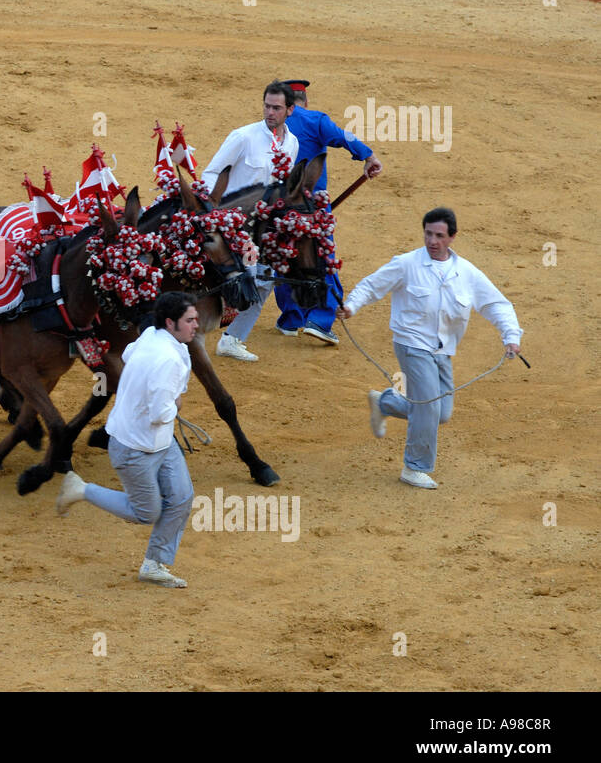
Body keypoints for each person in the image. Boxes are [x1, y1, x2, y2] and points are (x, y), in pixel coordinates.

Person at [338, 208, 522, 489]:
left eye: (439, 235)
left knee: (441, 413)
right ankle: (414, 467)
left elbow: (495, 304)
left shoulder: (467, 273)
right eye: (428, 234)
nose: (432, 241)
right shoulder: (406, 264)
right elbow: (372, 285)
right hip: (411, 344)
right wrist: (351, 306)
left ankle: (384, 402)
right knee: (430, 408)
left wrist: (511, 336)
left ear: (452, 238)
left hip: (443, 349)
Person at [54, 291, 198, 588]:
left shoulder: (151, 337)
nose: (196, 325)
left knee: (181, 497)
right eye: (190, 320)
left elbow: (130, 353)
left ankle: (154, 564)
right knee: (146, 513)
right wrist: (177, 402)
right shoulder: (169, 359)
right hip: (135, 448)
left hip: (156, 440)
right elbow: (161, 413)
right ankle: (81, 489)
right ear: (171, 323)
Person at [274, 79, 383, 346]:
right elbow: (345, 137)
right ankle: (320, 321)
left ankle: (292, 318)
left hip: (280, 205)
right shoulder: (315, 120)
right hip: (312, 208)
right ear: (305, 100)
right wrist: (368, 157)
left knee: (284, 257)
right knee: (322, 258)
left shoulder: (272, 123)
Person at [201, 80, 300, 362]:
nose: (270, 112)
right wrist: (214, 213)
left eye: (277, 108)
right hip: (233, 224)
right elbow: (212, 172)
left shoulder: (292, 144)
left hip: (264, 227)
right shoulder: (242, 137)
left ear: (290, 110)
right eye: (267, 106)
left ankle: (232, 339)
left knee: (266, 279)